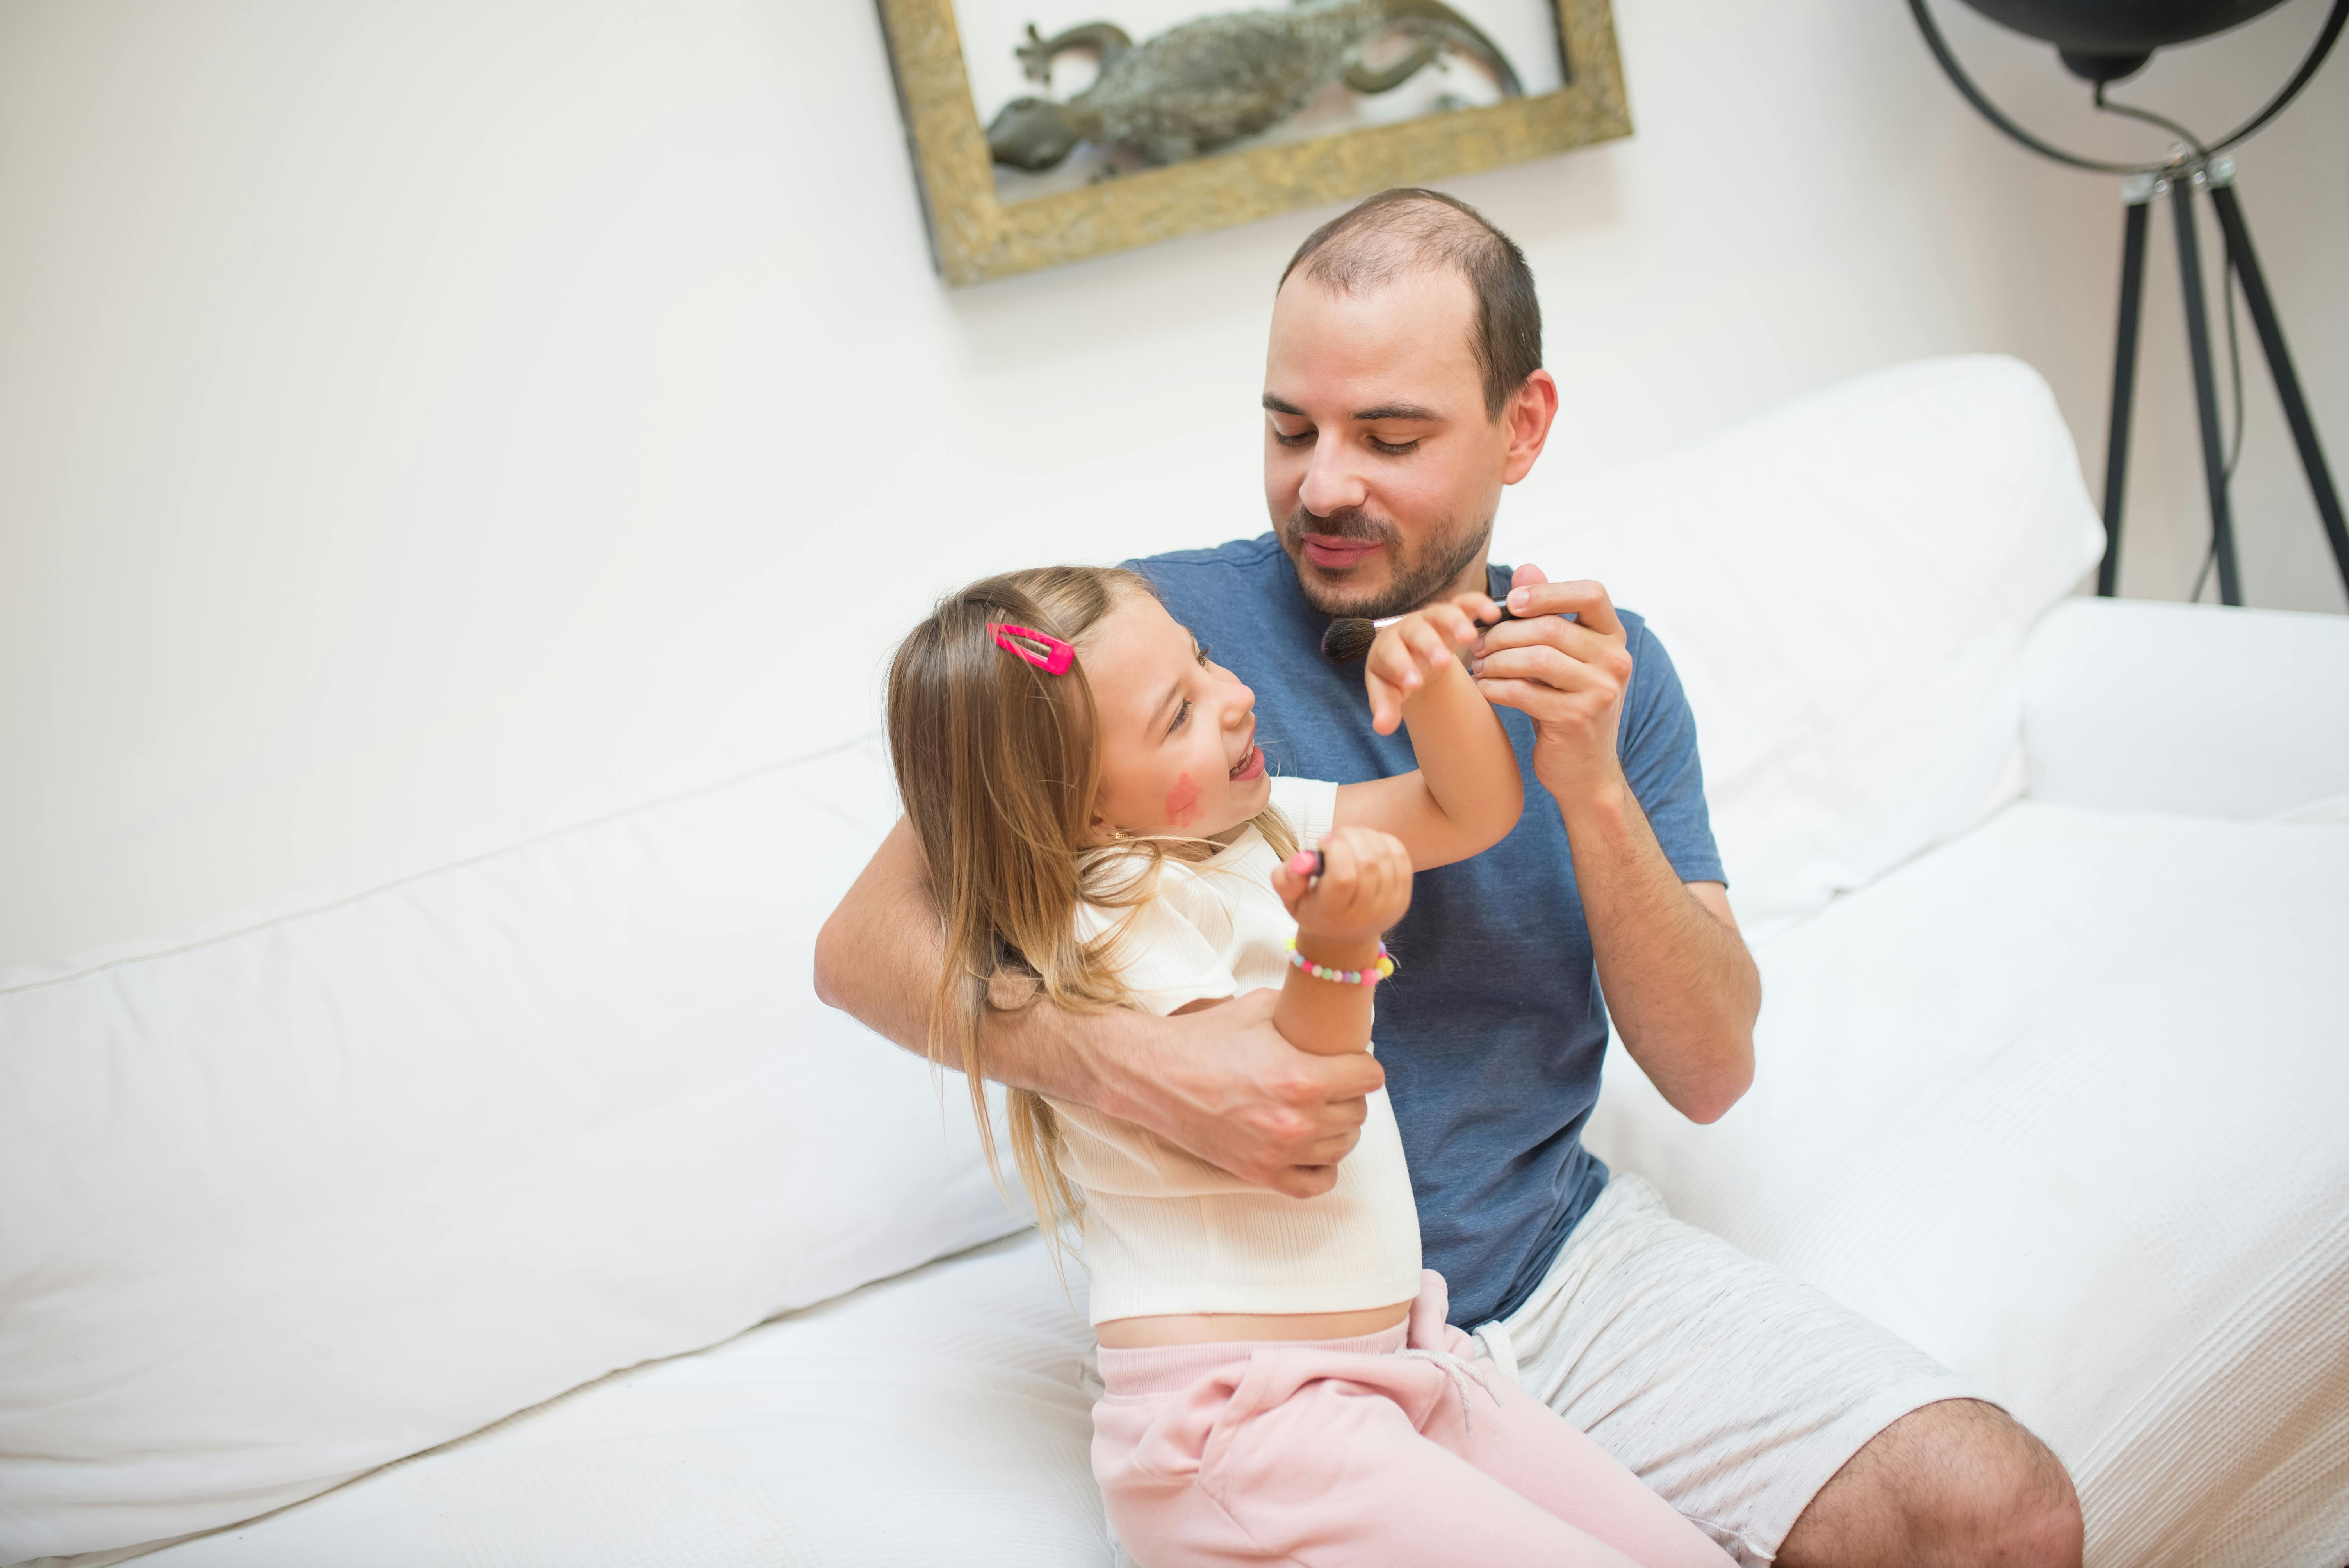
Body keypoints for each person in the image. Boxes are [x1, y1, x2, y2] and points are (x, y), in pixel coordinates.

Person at [817, 188, 2084, 1568]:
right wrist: (1134, 1066)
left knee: (1997, 1510)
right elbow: (863, 942)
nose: (1321, 483)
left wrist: (1588, 782)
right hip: (1276, 1339)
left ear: (1520, 425)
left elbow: (1709, 1067)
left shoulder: (1606, 674)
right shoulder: (1140, 644)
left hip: (1552, 1272)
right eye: (1288, 427)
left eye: (1390, 435)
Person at [880, 564, 1732, 1566]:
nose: (1236, 695)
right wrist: (1336, 945)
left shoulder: (1251, 823)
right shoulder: (1105, 916)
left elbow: (1470, 813)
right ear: (1084, 816)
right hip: (1245, 1425)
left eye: (1201, 657)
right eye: (1178, 715)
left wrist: (1432, 683)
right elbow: (1292, 1090)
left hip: (1392, 1361)